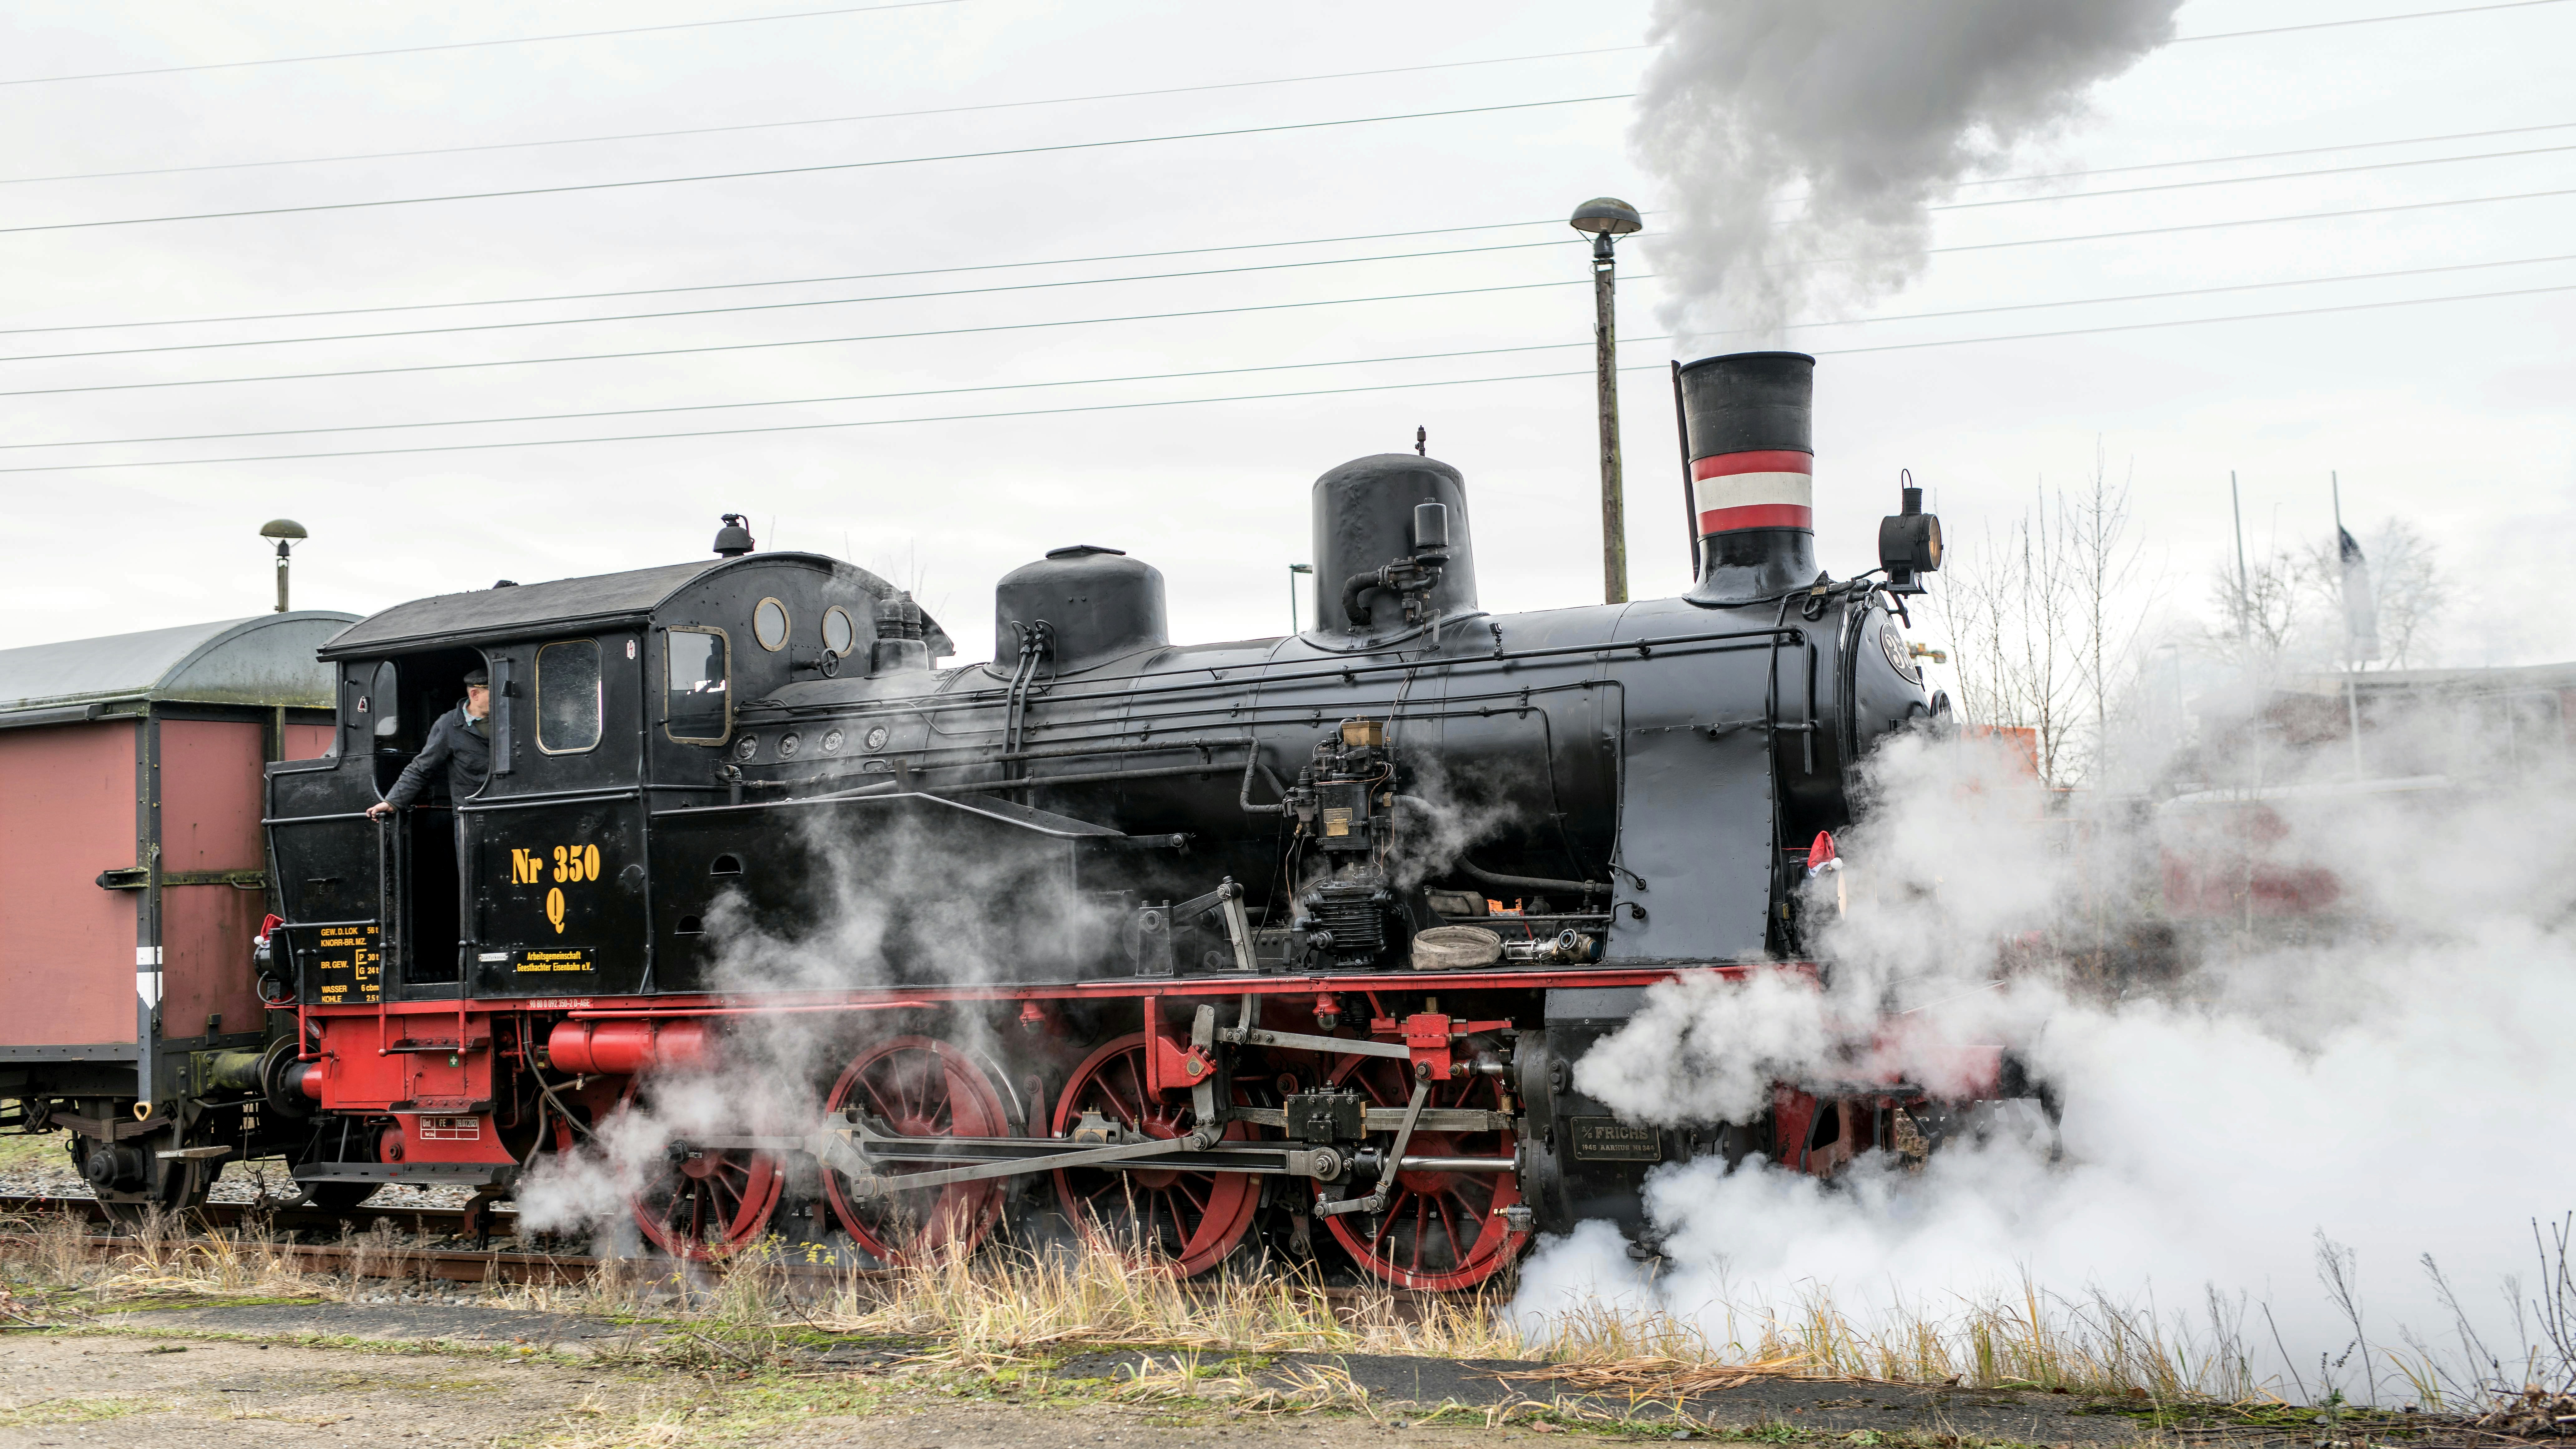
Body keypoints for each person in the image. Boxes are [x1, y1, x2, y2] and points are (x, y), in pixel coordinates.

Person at [367, 668, 492, 819]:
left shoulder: (508, 718)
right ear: (475, 694)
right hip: (473, 814)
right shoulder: (448, 725)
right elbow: (421, 768)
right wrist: (393, 802)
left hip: (507, 806)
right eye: (494, 693)